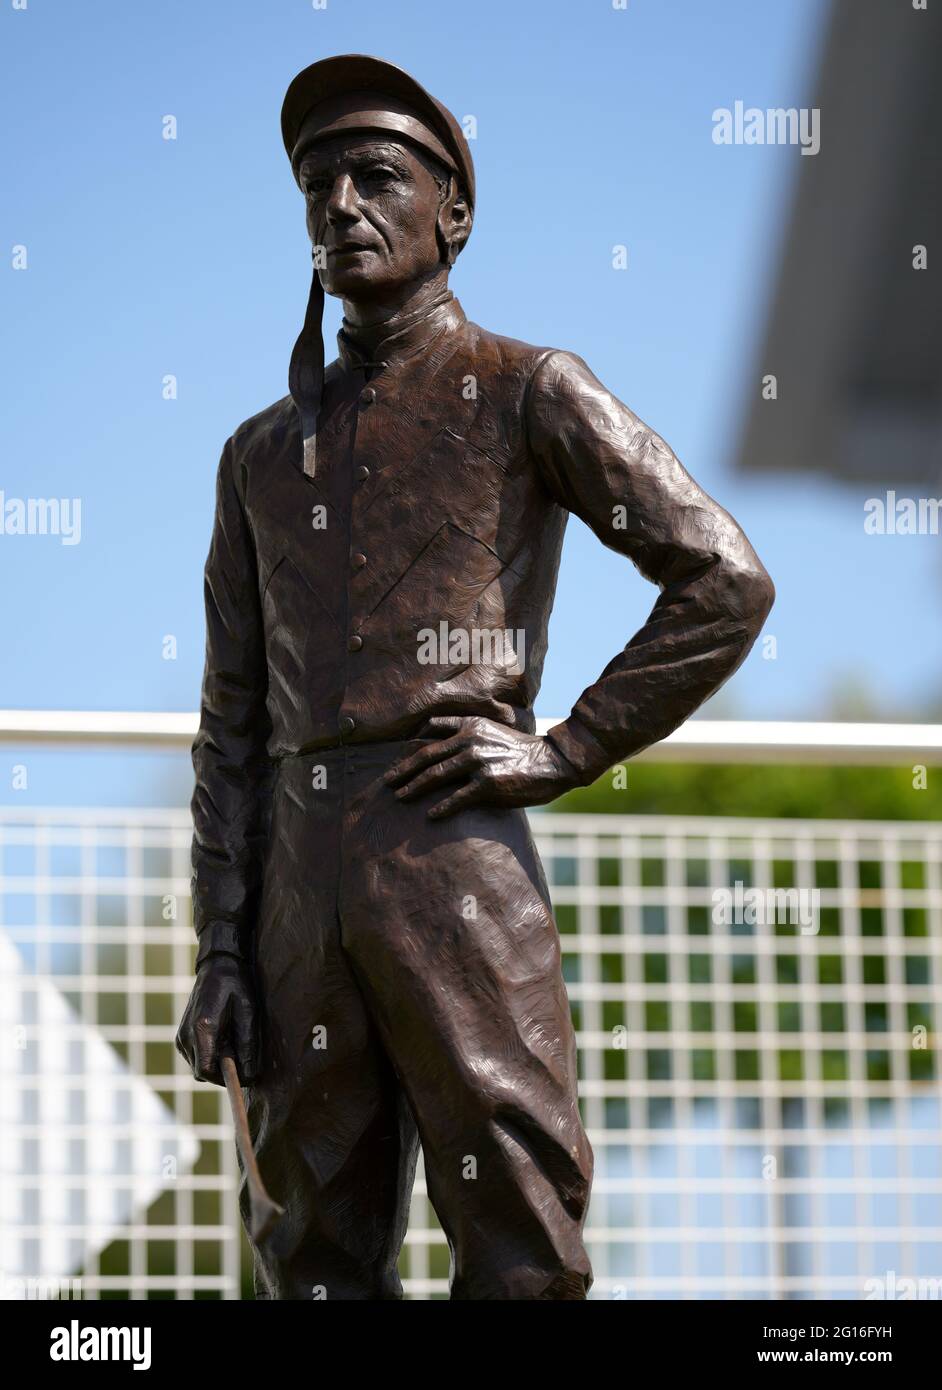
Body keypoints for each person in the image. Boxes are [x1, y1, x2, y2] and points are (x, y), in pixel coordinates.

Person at [176, 54, 775, 1301]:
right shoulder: (255, 459)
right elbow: (229, 721)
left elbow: (724, 579)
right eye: (315, 184)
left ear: (451, 212)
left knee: (517, 1232)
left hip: (450, 841)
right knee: (307, 1251)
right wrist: (221, 951)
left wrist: (564, 749)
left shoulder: (527, 388)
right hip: (295, 879)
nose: (340, 204)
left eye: (376, 176)